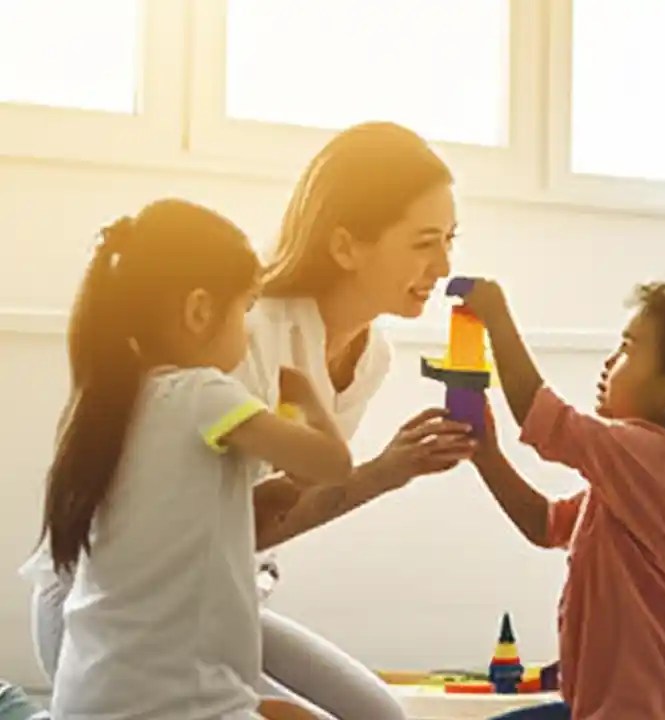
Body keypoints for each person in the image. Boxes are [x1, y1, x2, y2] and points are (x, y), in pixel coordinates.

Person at [23, 122, 476, 720]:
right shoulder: (236, 341)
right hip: (119, 613)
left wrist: (387, 471)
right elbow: (216, 522)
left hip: (207, 597)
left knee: (383, 716)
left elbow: (264, 512)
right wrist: (380, 473)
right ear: (345, 247)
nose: (444, 264)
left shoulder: (372, 357)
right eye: (423, 243)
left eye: (450, 239)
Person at [45, 199, 353, 719]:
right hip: (180, 704)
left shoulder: (106, 408)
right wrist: (308, 398)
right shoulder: (203, 394)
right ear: (199, 311)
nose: (249, 329)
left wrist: (250, 498)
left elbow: (165, 514)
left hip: (89, 696)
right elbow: (331, 466)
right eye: (247, 308)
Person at [460, 279, 665, 719]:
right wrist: (487, 455)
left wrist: (496, 316)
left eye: (628, 348)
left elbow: (544, 417)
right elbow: (545, 524)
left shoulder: (653, 458)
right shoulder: (640, 480)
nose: (610, 361)